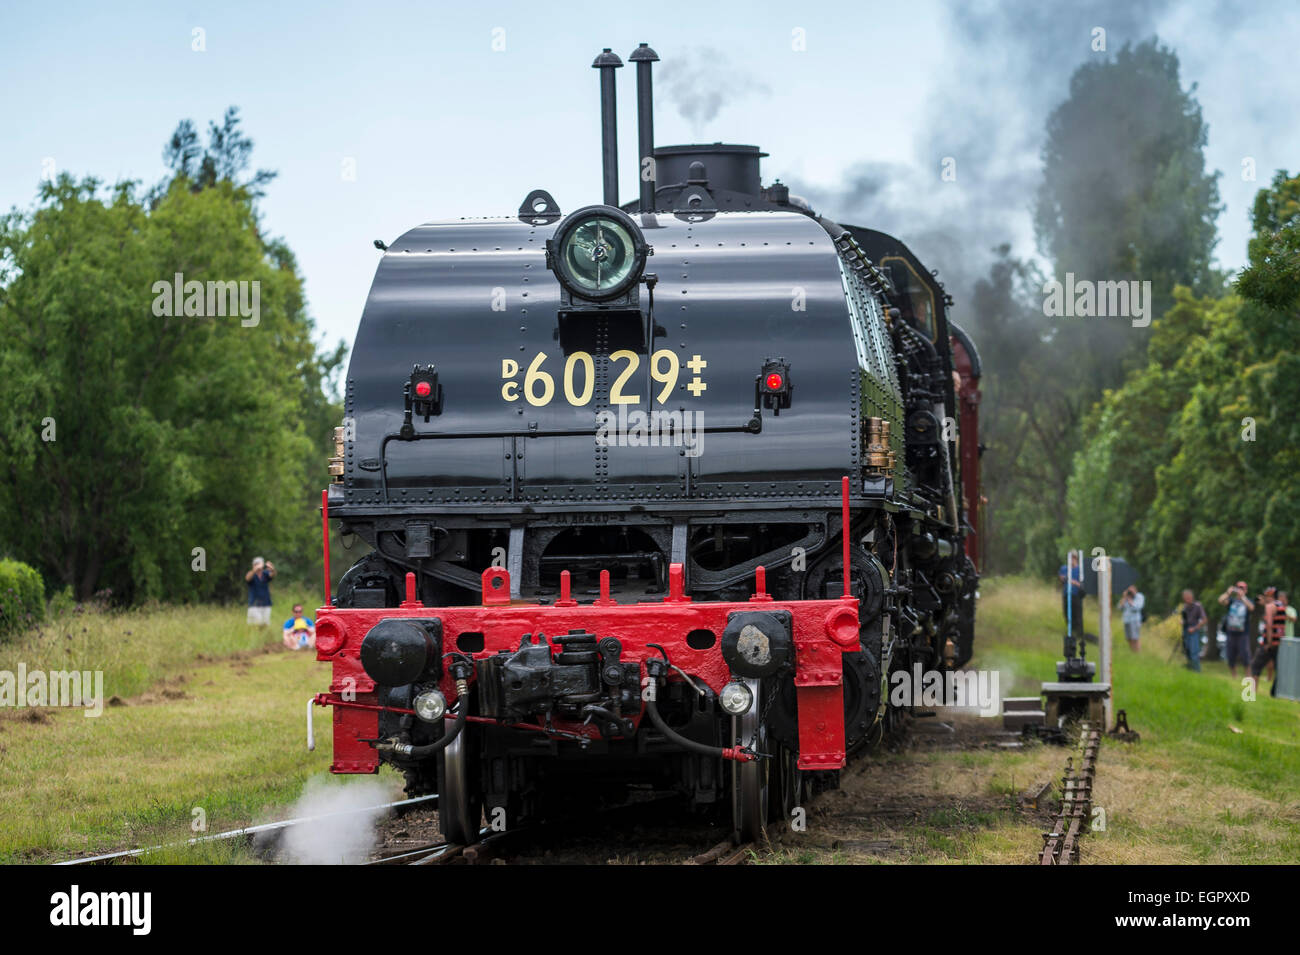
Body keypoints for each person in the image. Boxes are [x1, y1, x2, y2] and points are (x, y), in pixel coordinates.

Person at [1249, 587, 1285, 697]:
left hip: (1268, 643)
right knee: (1279, 669)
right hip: (1279, 642)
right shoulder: (1280, 605)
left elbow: (1269, 624)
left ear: (1269, 596)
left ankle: (1250, 694)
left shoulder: (1270, 607)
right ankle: (1275, 693)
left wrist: (1268, 643)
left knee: (1255, 666)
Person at [1217, 580, 1255, 679]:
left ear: (1246, 590)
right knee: (1230, 656)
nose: (1240, 590)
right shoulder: (1232, 601)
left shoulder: (1248, 601)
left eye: (1242, 588)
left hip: (1243, 634)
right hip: (1231, 633)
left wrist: (1242, 597)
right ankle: (1234, 677)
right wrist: (1228, 593)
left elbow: (1251, 608)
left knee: (1245, 655)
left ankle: (1248, 677)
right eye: (1238, 588)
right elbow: (1220, 600)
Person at [1058, 553, 1085, 656]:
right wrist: (1065, 579)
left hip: (1076, 595)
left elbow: (1081, 584)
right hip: (1066, 595)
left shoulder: (1080, 570)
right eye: (1070, 559)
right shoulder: (1064, 568)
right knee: (1067, 614)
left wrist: (1073, 582)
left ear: (1076, 559)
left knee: (1077, 616)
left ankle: (1079, 635)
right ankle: (1071, 633)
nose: (1071, 561)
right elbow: (1062, 578)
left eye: (1073, 559)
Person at [1180, 589, 1207, 672]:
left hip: (1194, 630)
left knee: (1194, 651)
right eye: (1185, 598)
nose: (1187, 600)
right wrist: (1182, 622)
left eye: (1188, 598)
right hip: (1186, 630)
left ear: (1192, 597)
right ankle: (1189, 669)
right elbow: (1185, 619)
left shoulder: (1198, 606)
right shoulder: (1185, 607)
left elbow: (1204, 620)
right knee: (1187, 650)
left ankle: (1197, 671)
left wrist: (1194, 628)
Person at [244, 557, 276, 626]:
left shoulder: (265, 574)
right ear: (253, 565)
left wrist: (272, 569)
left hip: (266, 603)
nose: (258, 566)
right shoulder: (251, 574)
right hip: (254, 605)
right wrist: (254, 570)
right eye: (256, 564)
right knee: (257, 624)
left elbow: (272, 575)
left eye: (259, 564)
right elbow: (247, 578)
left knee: (265, 624)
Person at [1119, 585, 1144, 652]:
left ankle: (1138, 652)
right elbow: (1119, 607)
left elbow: (1137, 608)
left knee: (1135, 637)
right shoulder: (1126, 597)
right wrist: (1124, 598)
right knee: (1129, 638)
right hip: (1126, 620)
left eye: (1131, 590)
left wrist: (1130, 601)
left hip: (1135, 620)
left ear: (1135, 589)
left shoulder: (1139, 596)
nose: (1130, 592)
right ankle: (1133, 652)